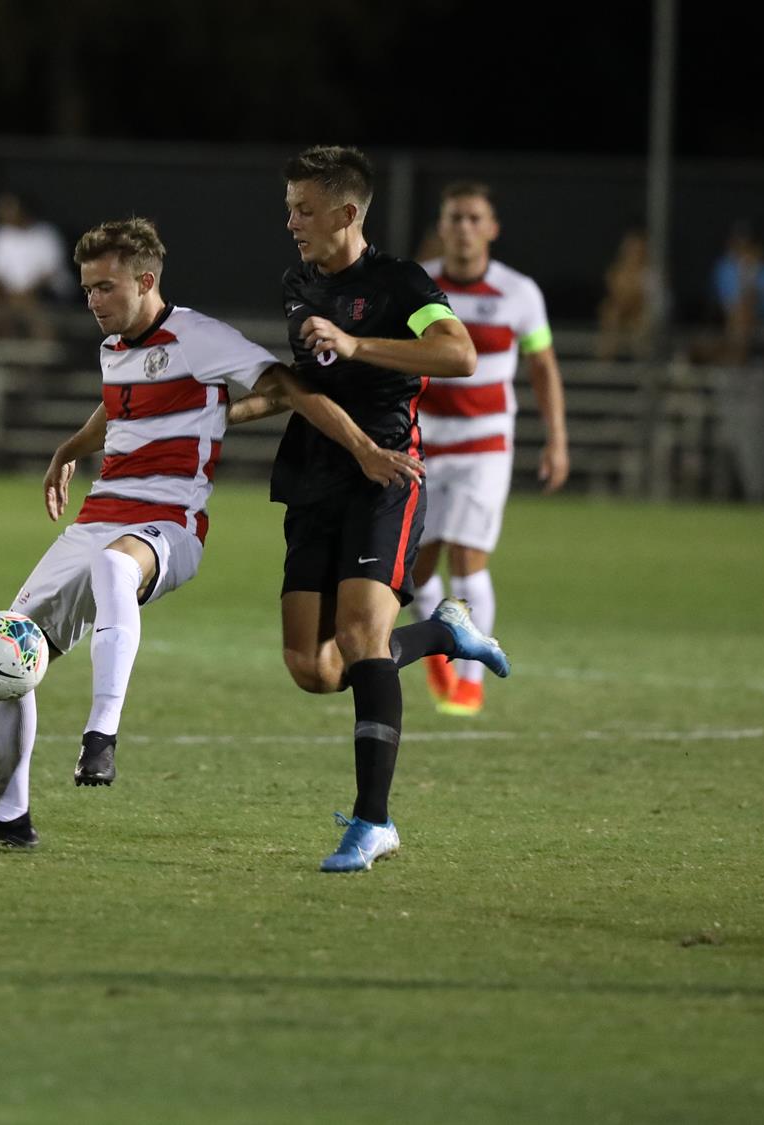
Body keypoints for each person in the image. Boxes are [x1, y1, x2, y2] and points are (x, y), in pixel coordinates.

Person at [0, 217, 420, 848]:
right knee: (8, 646)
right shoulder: (114, 348)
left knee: (113, 568)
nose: (93, 301)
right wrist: (68, 450)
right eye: (86, 289)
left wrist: (360, 447)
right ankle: (9, 820)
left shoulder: (197, 335)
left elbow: (288, 388)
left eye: (105, 287)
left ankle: (101, 734)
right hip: (98, 518)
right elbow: (119, 405)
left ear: (145, 280)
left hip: (170, 525)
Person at [274, 145, 511, 873]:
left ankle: (373, 821)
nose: (292, 223)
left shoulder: (402, 281)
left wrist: (357, 343)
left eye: (304, 210)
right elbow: (300, 384)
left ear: (348, 213)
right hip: (314, 479)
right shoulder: (299, 284)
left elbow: (458, 354)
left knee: (359, 634)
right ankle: (439, 631)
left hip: (386, 475)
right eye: (289, 209)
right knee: (310, 666)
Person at [408, 181, 568, 717]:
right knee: (415, 568)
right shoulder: (419, 284)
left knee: (468, 558)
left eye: (475, 218)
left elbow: (542, 365)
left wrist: (557, 439)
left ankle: (471, 682)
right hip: (423, 442)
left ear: (492, 228)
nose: (464, 229)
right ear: (441, 225)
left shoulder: (519, 293)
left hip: (486, 446)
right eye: (455, 218)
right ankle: (437, 647)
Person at [0, 192, 72, 339]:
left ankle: (41, 359)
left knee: (40, 323)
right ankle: (5, 358)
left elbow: (50, 274)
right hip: (7, 298)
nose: (4, 214)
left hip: (43, 298)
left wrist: (24, 296)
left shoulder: (46, 234)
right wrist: (10, 295)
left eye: (9, 209)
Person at [709, 222, 764, 363]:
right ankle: (734, 362)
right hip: (733, 327)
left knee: (744, 317)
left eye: (748, 247)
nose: (743, 252)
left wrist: (750, 277)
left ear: (758, 248)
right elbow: (729, 305)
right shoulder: (725, 268)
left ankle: (739, 360)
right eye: (738, 247)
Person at [595, 227, 664, 361]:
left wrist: (631, 296)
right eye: (630, 249)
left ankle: (641, 362)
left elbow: (647, 302)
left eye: (636, 249)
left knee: (642, 323)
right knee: (609, 313)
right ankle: (605, 363)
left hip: (641, 318)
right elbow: (616, 297)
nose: (633, 253)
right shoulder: (617, 270)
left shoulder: (651, 274)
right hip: (621, 316)